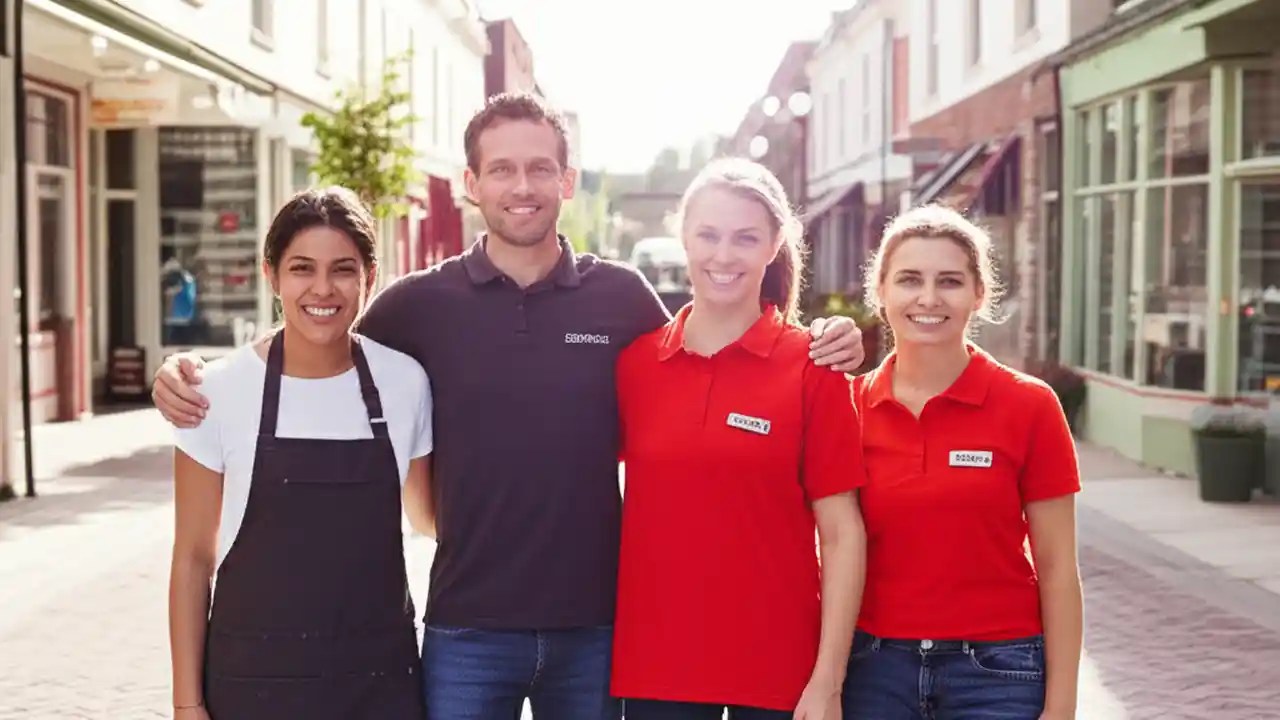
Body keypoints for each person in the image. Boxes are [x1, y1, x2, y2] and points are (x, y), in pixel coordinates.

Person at [154, 92, 867, 719]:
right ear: (471, 183)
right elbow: (321, 327)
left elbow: (716, 352)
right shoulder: (417, 305)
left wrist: (821, 340)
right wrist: (196, 375)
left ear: (567, 179)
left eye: (537, 168)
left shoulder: (623, 301)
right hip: (466, 629)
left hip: (596, 629)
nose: (520, 186)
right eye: (501, 168)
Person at [612, 158, 867, 720]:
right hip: (660, 668)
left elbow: (843, 532)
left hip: (780, 670)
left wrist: (829, 678)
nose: (723, 256)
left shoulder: (813, 367)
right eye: (708, 235)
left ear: (775, 244)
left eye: (745, 238)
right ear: (683, 237)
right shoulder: (636, 364)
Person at [168, 187, 435, 720]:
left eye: (342, 269)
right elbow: (194, 557)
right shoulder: (218, 392)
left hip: (377, 682)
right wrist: (186, 702)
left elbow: (429, 518)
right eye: (301, 268)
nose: (322, 288)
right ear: (271, 276)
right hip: (252, 682)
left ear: (369, 277)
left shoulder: (404, 382)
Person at [841, 204, 1083, 720]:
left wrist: (1062, 707)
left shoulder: (1030, 406)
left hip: (999, 671)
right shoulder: (847, 408)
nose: (929, 299)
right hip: (872, 669)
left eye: (949, 281)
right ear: (880, 291)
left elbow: (1059, 568)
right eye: (910, 280)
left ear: (979, 293)